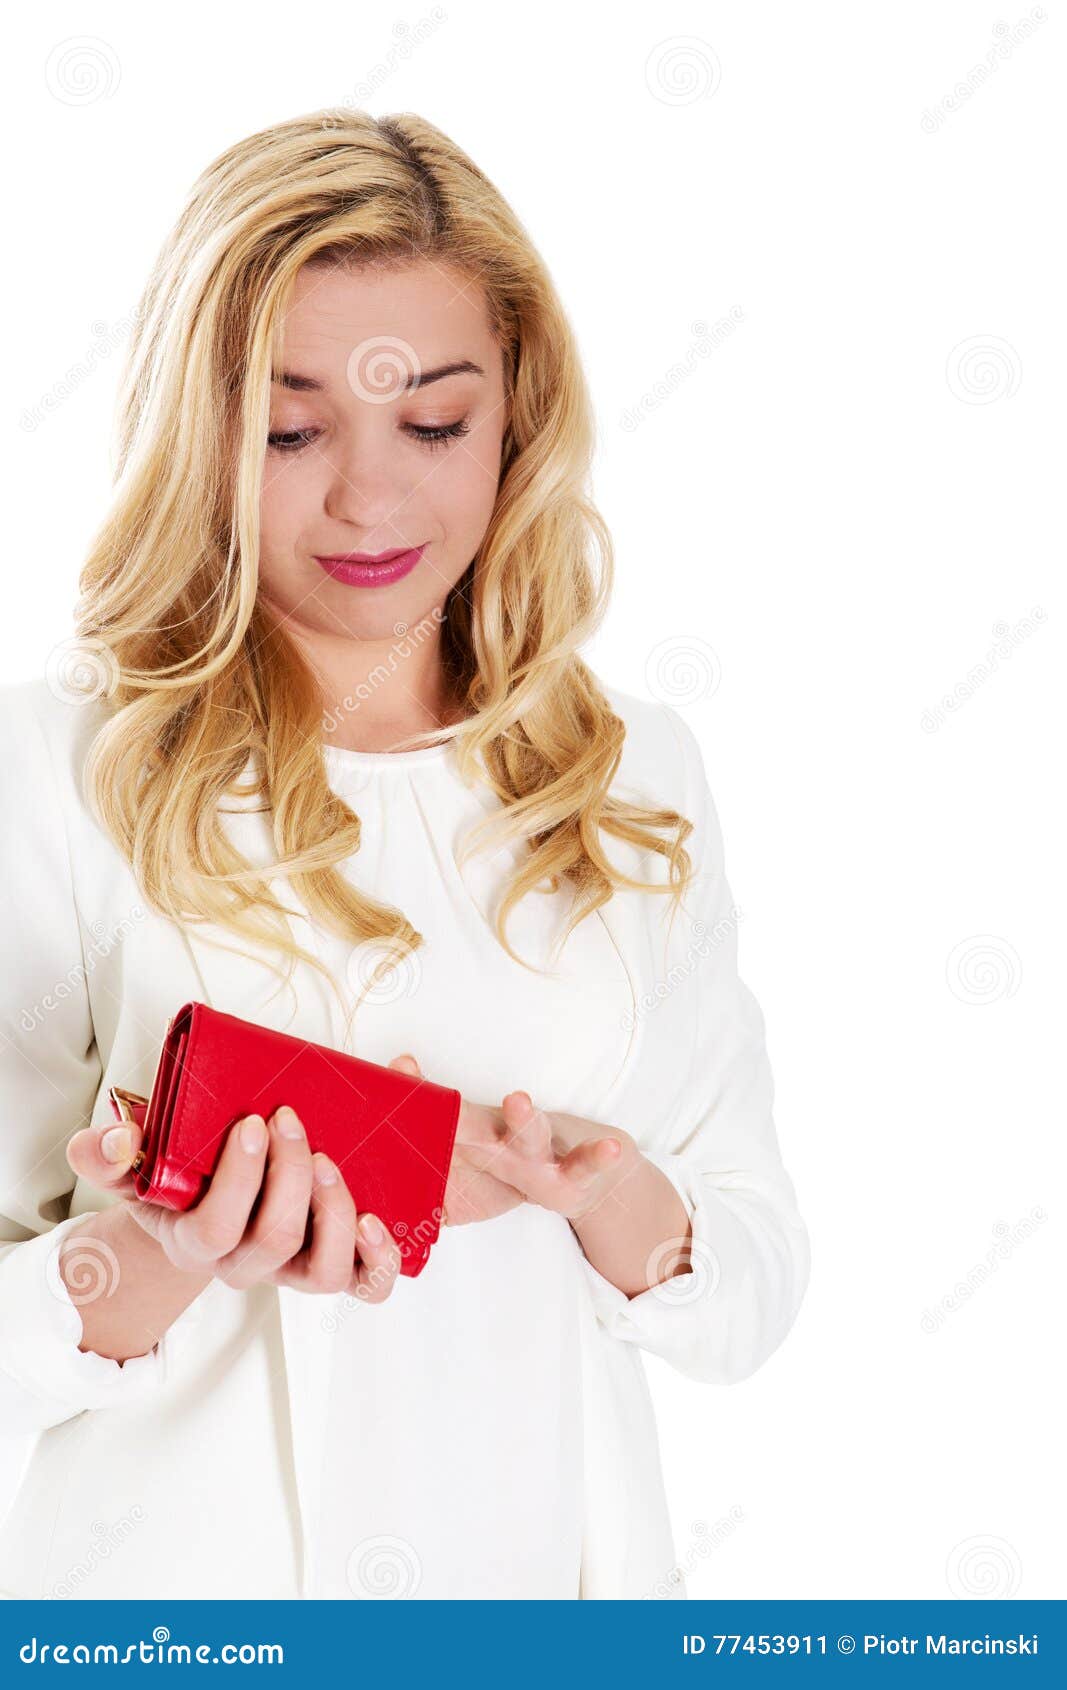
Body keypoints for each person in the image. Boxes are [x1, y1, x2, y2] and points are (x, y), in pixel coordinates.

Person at [0, 108, 810, 1601]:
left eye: (434, 423)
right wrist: (175, 1251)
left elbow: (752, 1284)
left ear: (520, 415)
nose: (372, 500)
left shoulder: (630, 775)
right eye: (291, 429)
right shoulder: (56, 772)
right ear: (201, 430)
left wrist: (602, 1189)